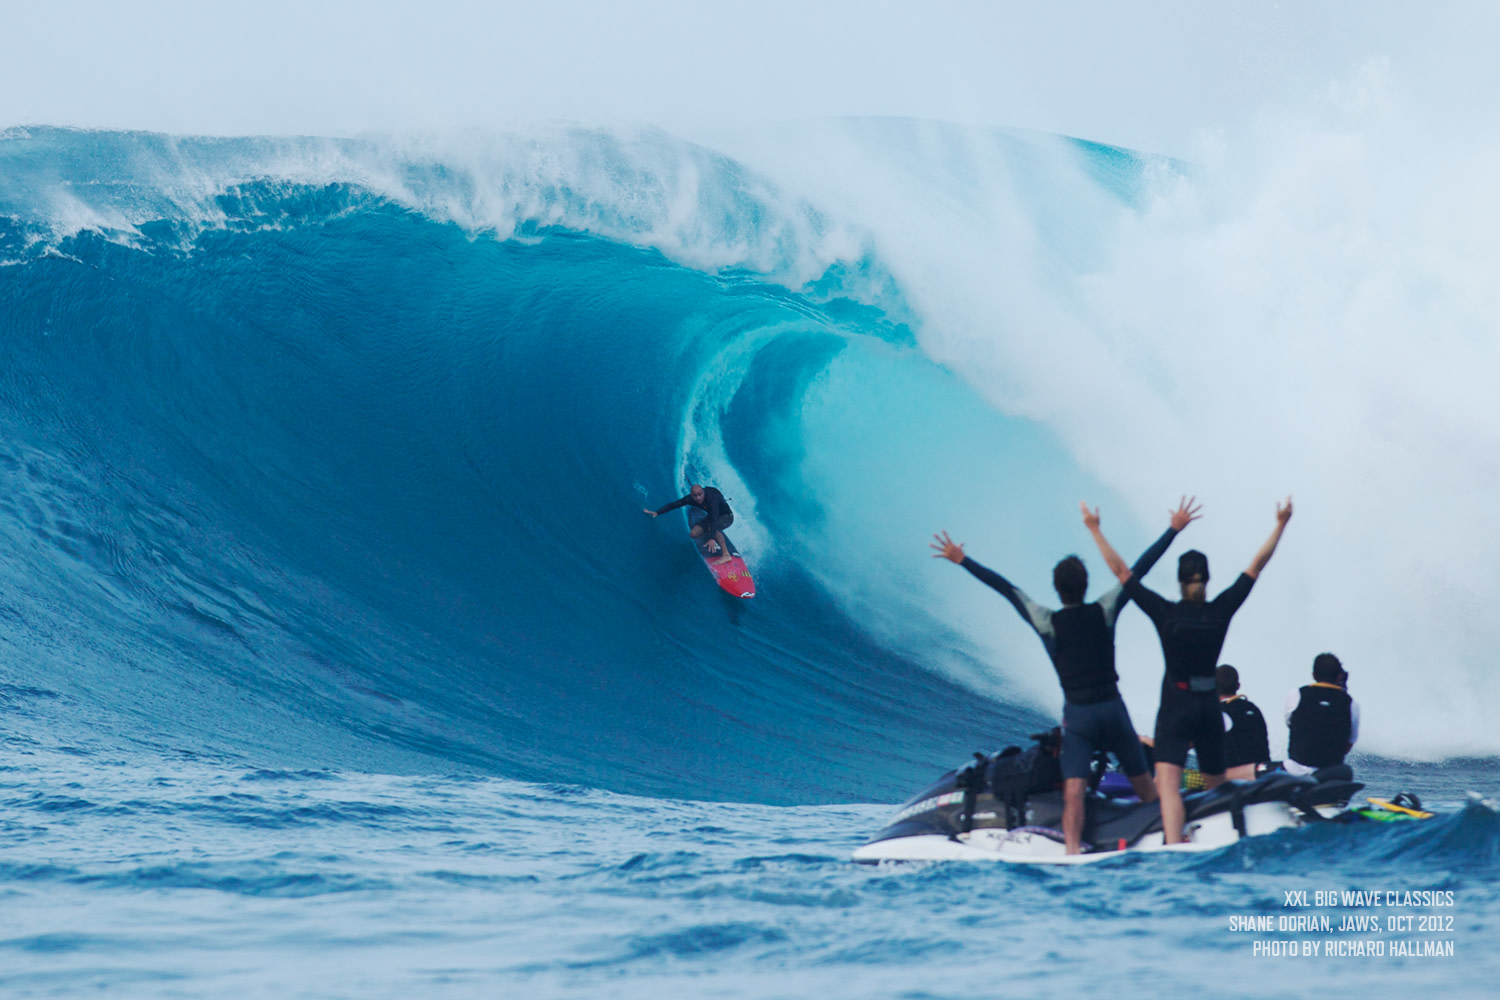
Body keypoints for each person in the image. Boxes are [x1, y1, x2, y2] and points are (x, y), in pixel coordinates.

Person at [929, 497, 1201, 854]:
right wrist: (1173, 530)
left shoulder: (1046, 621)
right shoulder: (1105, 610)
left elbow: (1006, 589)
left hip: (1080, 718)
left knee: (1074, 794)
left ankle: (1072, 853)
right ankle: (1170, 839)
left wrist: (962, 560)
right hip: (1113, 712)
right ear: (1085, 584)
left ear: (1058, 589)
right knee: (1146, 788)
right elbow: (1138, 570)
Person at [1086, 497, 1292, 844]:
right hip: (1208, 710)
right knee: (1216, 785)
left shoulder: (1165, 612)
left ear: (1180, 581)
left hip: (1175, 710)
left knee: (1168, 787)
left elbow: (1122, 573)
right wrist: (1280, 524)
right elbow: (1256, 565)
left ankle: (1174, 845)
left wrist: (1095, 528)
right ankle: (1225, 836)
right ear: (1207, 580)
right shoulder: (1220, 610)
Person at [1284, 653, 1360, 776]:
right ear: (1339, 677)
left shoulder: (1296, 694)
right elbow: (1349, 743)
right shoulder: (1351, 704)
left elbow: (1290, 724)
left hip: (1296, 769)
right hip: (1331, 773)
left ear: (1313, 675)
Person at [645, 484, 734, 564]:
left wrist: (711, 538)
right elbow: (674, 505)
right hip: (711, 517)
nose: (698, 498)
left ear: (704, 492)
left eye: (700, 495)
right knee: (693, 533)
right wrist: (657, 512)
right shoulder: (690, 499)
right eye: (695, 496)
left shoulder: (712, 498)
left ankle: (726, 555)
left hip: (726, 516)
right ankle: (711, 536)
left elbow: (714, 518)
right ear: (691, 495)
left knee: (712, 528)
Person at [1217, 664, 1270, 781]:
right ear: (1238, 686)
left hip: (1237, 781)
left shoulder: (1217, 713)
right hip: (1263, 774)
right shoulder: (1253, 709)